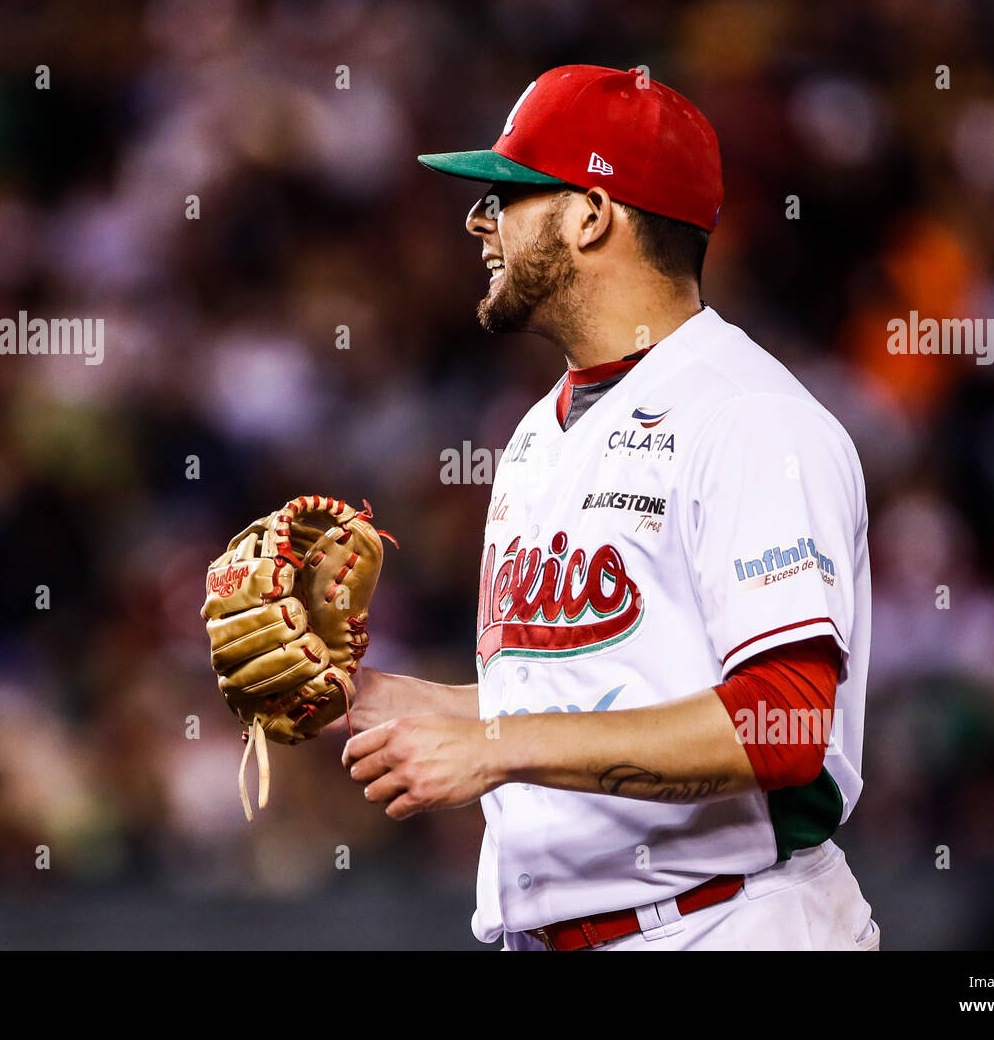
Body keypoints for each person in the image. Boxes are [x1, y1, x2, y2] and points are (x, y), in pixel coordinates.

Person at [342, 65, 878, 951]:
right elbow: (585, 694)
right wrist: (369, 696)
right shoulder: (536, 431)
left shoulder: (750, 417)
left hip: (727, 922)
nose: (480, 221)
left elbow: (783, 725)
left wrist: (498, 746)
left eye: (508, 192)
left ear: (593, 214)